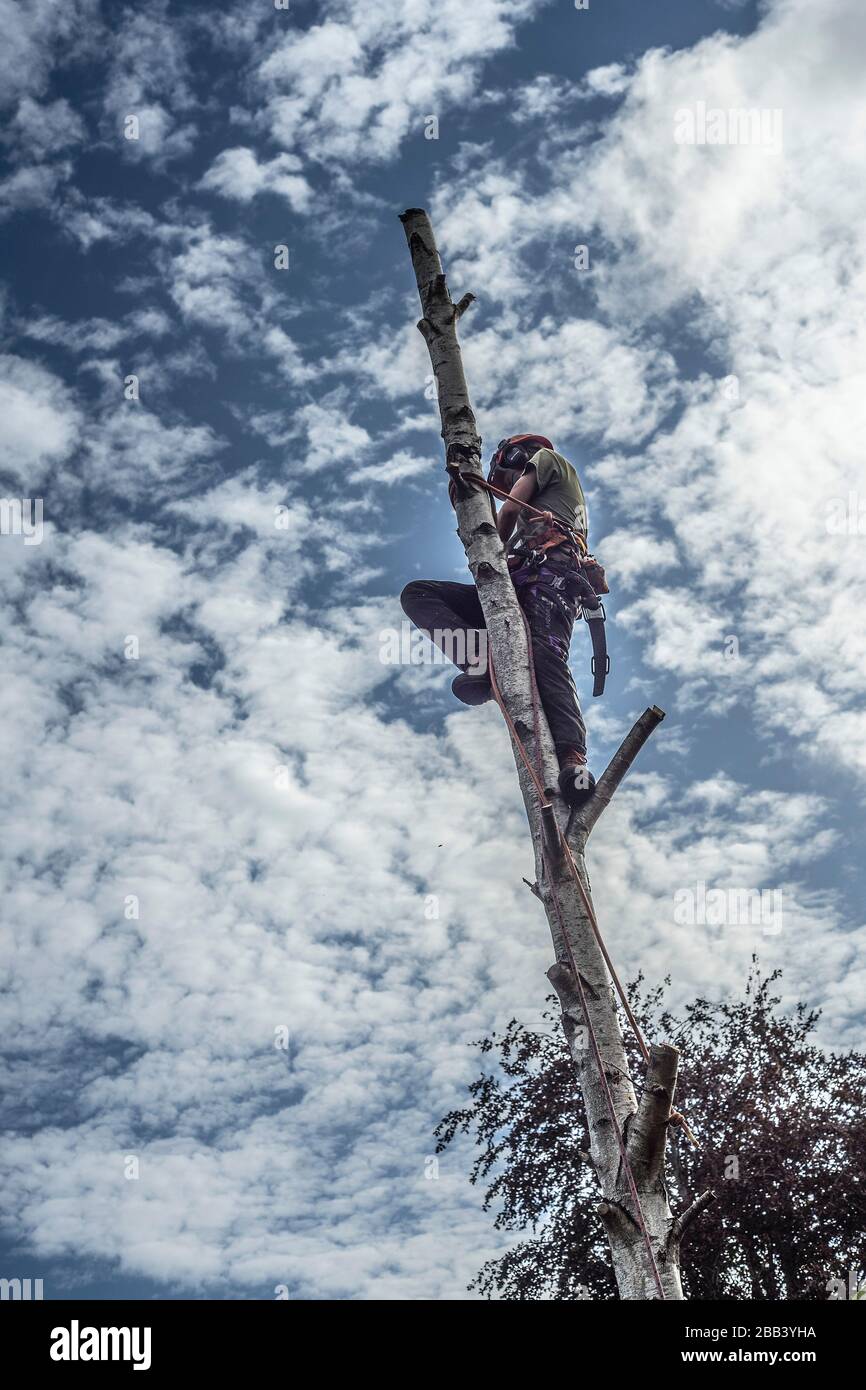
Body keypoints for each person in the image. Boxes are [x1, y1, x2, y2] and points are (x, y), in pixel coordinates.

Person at [401, 434, 606, 807]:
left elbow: (507, 516)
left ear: (518, 458)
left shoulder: (547, 459)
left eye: (509, 478)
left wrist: (483, 537)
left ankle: (573, 758)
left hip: (551, 579)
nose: (510, 488)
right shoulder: (534, 514)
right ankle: (480, 660)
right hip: (516, 585)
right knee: (420, 594)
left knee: (546, 655)